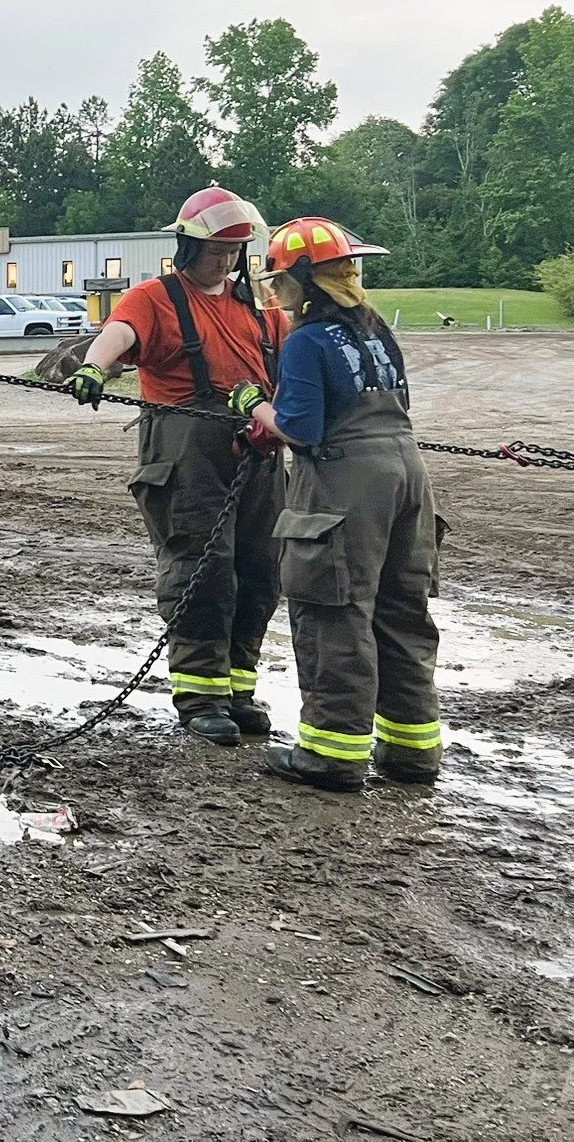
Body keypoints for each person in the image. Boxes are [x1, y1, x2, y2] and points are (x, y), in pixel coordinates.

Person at [62, 186, 287, 745]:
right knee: (202, 572)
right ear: (187, 247)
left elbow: (295, 363)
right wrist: (94, 366)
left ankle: (238, 689)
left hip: (258, 455)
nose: (226, 261)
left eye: (234, 251)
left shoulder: (259, 308)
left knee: (261, 573)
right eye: (216, 250)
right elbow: (118, 333)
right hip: (185, 456)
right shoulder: (155, 298)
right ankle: (200, 696)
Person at [228, 218, 440, 792]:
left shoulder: (307, 340)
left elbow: (301, 427)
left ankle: (332, 754)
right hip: (407, 475)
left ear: (304, 281)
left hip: (346, 486)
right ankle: (412, 752)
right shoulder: (376, 331)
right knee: (401, 613)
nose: (275, 292)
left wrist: (253, 405)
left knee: (334, 611)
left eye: (279, 280)